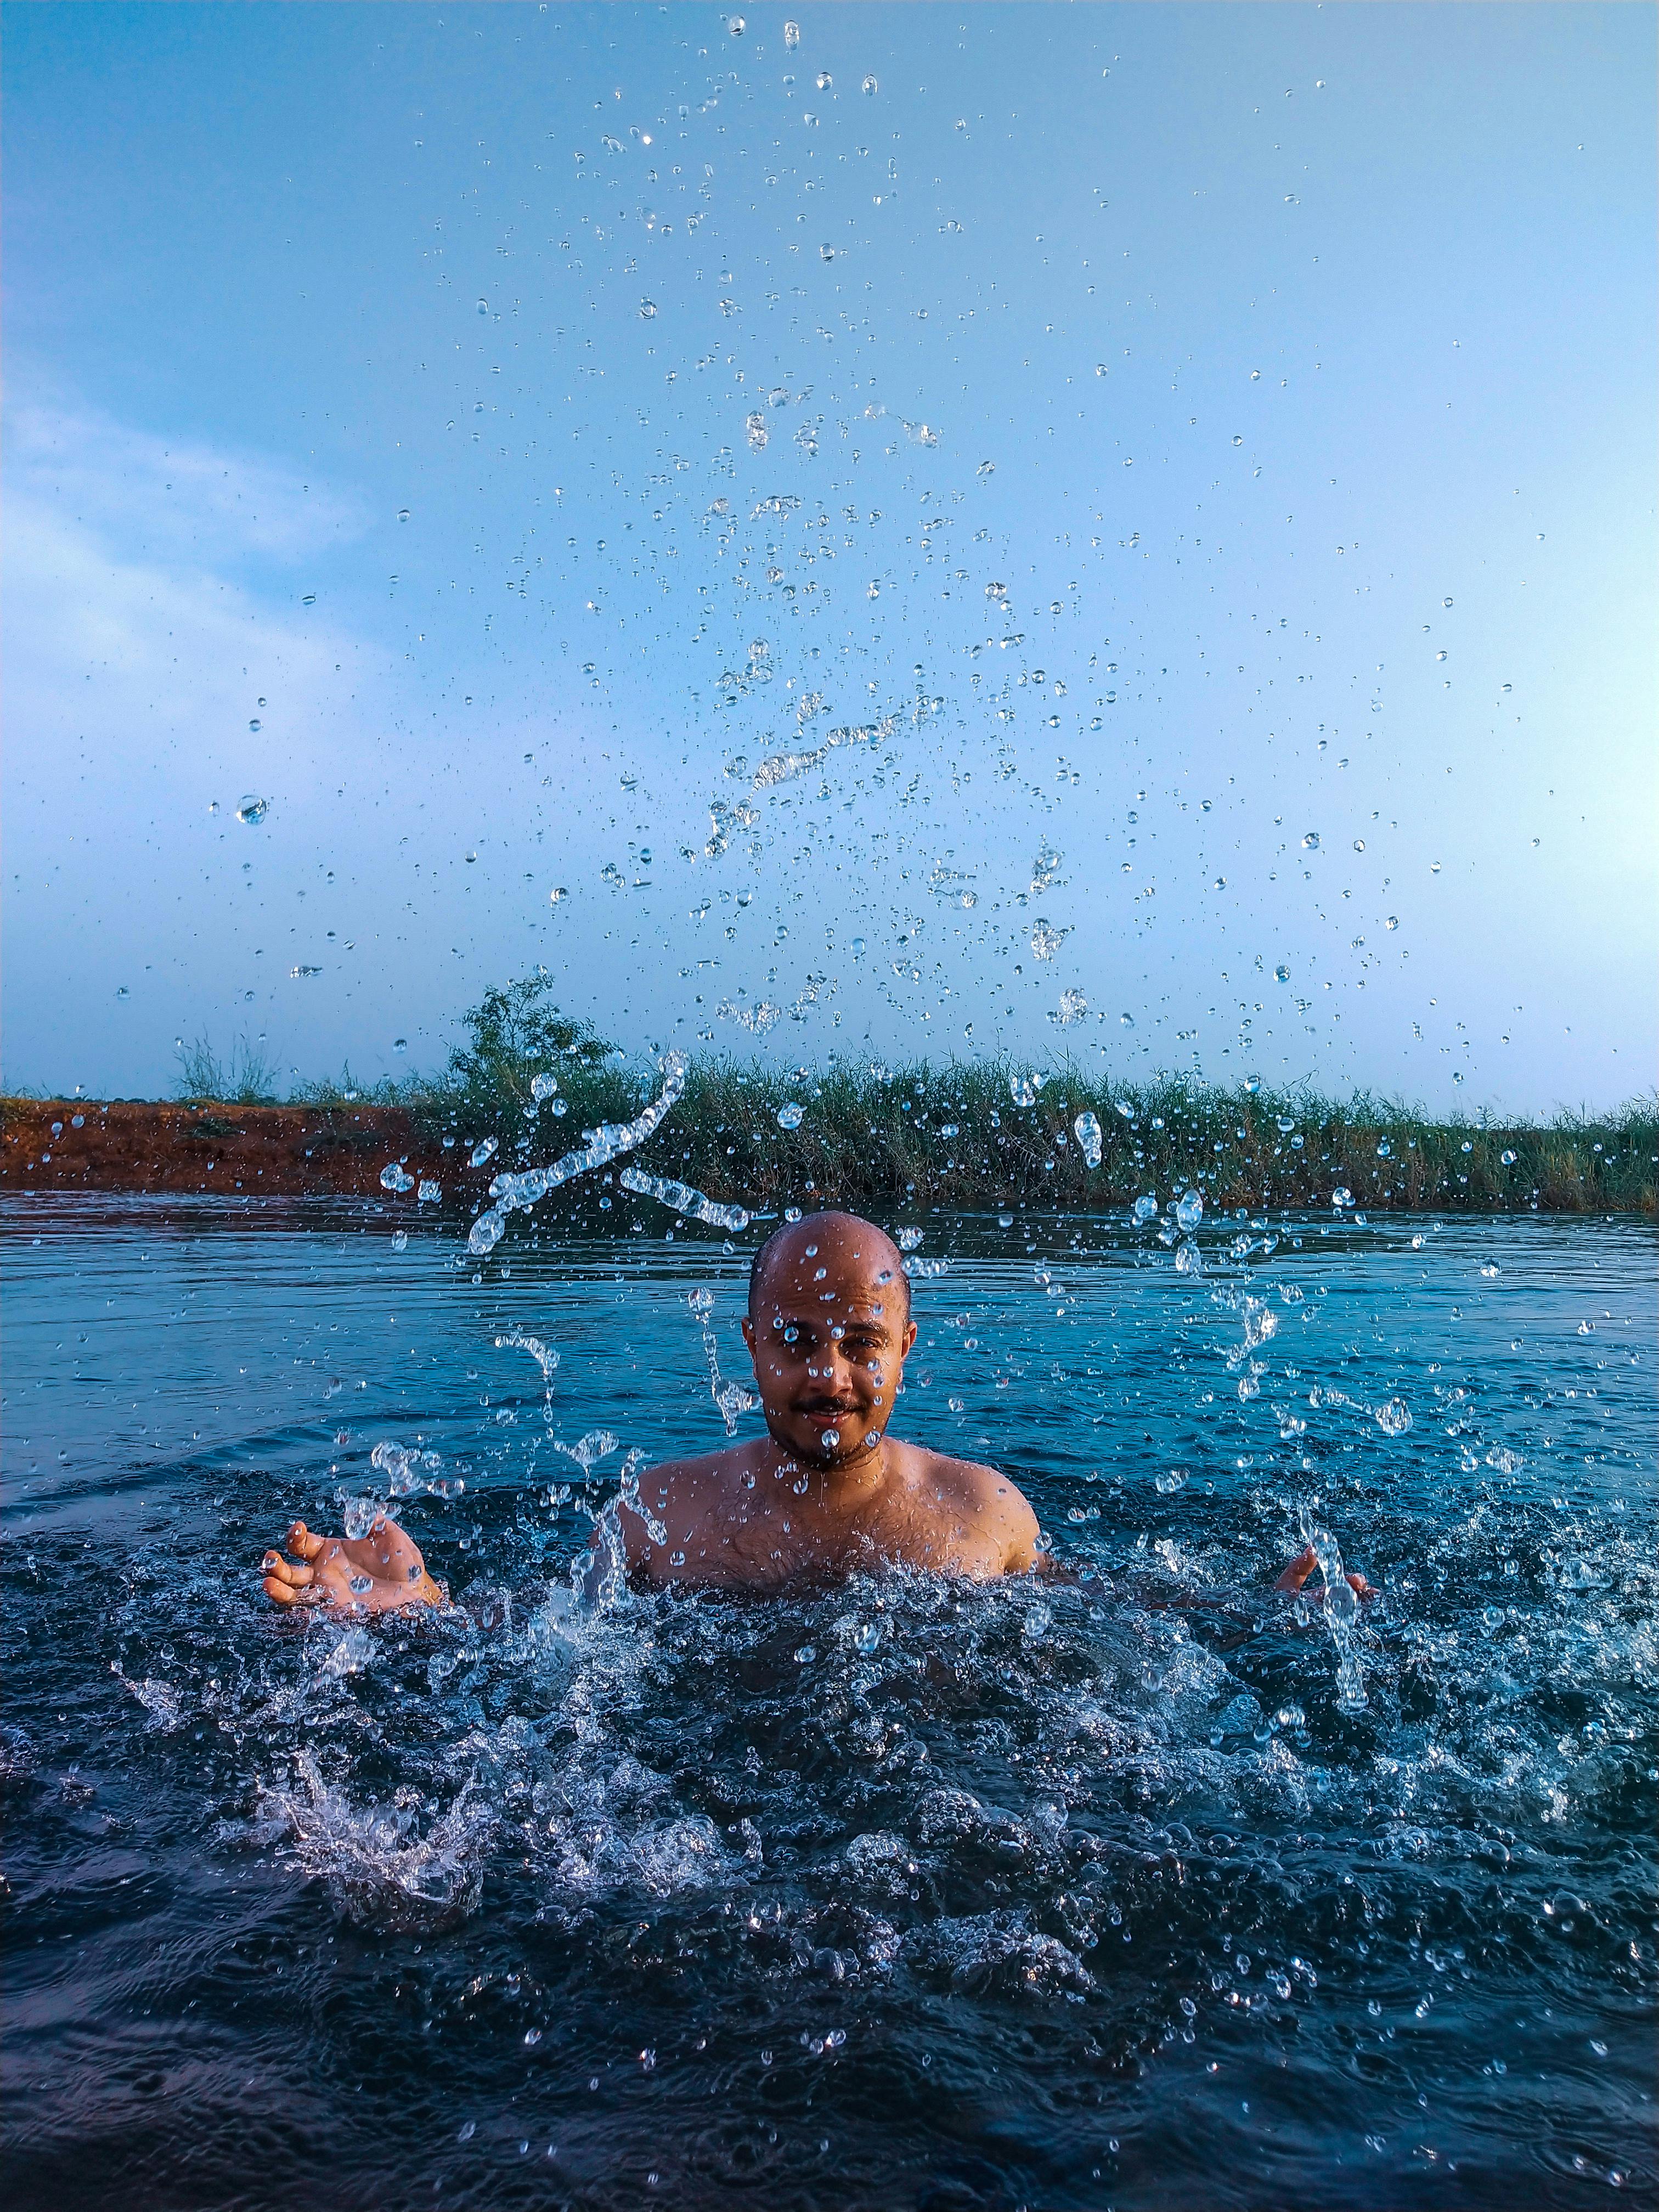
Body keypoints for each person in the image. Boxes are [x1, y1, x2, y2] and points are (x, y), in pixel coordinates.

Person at [260, 1210, 1371, 1613]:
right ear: (749, 1343)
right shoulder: (659, 1515)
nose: (829, 1373)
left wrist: (1245, 1608)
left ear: (906, 1353)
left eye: (861, 1344)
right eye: (796, 1339)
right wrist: (418, 1602)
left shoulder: (984, 1514)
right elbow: (548, 1632)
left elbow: (1100, 1603)